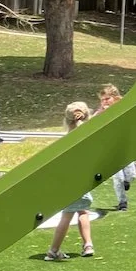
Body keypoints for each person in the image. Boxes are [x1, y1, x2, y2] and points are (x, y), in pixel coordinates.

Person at [45, 102, 95, 261]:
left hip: (67, 178)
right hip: (80, 178)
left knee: (79, 211)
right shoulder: (85, 134)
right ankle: (55, 250)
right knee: (76, 212)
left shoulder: (67, 138)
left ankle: (86, 245)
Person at [95, 83, 136, 210]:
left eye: (107, 99)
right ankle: (122, 202)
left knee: (131, 175)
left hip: (125, 147)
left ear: (115, 98)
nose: (104, 102)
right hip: (109, 150)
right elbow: (92, 123)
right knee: (117, 177)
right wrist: (102, 113)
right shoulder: (100, 113)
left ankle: (127, 182)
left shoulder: (122, 108)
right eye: (102, 100)